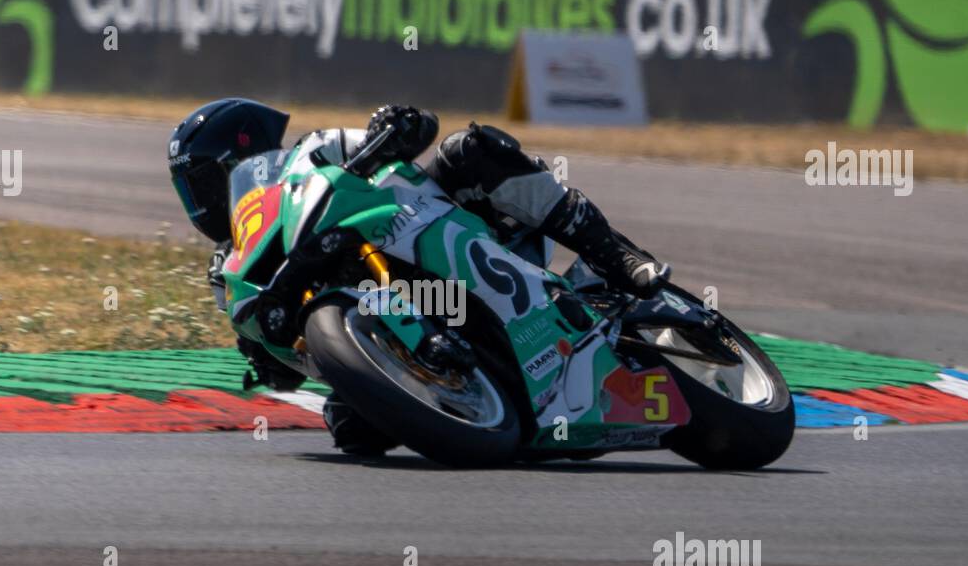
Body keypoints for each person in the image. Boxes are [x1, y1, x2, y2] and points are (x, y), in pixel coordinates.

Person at [167, 96, 671, 454]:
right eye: (190, 190)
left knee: (468, 150)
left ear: (240, 154)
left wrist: (400, 126)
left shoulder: (314, 151)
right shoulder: (227, 269)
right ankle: (481, 396)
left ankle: (614, 254)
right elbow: (269, 355)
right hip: (383, 325)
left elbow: (415, 129)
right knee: (351, 431)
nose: (200, 201)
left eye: (202, 181)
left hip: (427, 231)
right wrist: (265, 352)